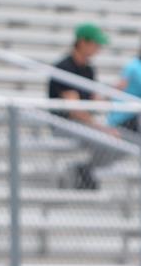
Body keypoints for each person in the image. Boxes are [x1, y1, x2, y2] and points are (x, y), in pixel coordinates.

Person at [47, 22, 121, 190]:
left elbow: (94, 101)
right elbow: (75, 110)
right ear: (82, 42)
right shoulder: (64, 67)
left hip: (82, 123)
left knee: (124, 141)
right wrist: (101, 128)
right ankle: (83, 172)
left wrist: (115, 92)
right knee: (107, 140)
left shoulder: (88, 69)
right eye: (95, 44)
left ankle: (84, 170)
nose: (98, 49)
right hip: (64, 124)